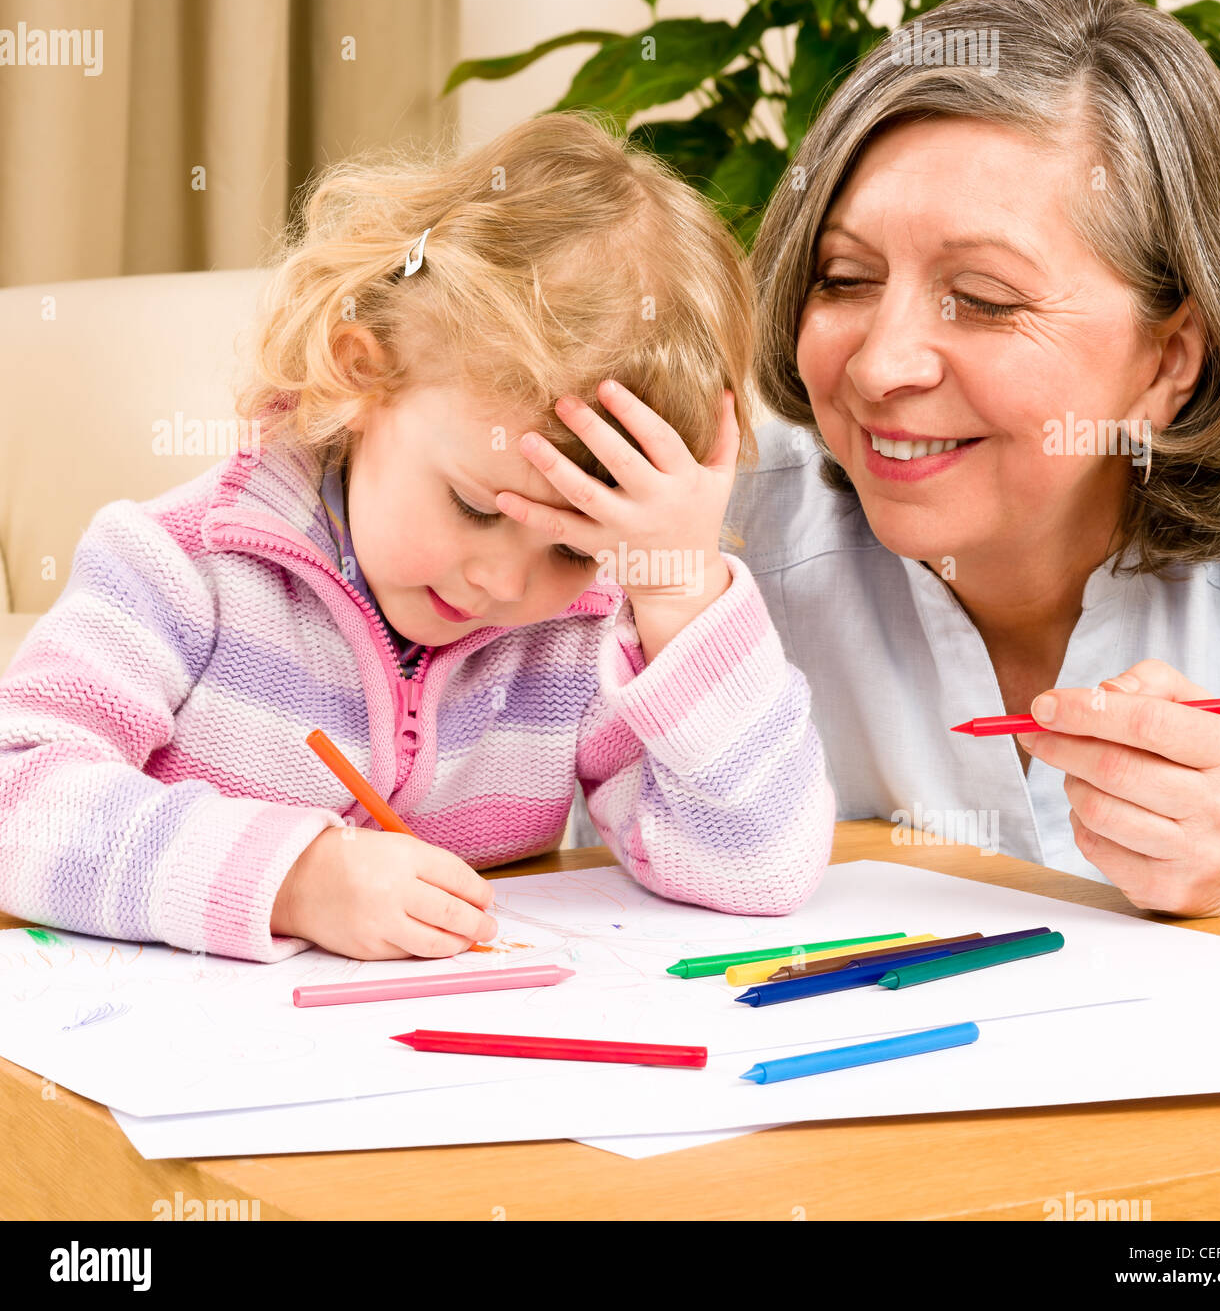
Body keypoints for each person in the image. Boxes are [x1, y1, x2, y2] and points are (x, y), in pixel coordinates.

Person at [0, 112, 836, 963]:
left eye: (575, 544)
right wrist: (295, 881)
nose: (508, 586)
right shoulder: (180, 570)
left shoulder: (586, 632)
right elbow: (16, 794)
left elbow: (759, 867)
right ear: (362, 373)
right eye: (476, 507)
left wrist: (680, 591)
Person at [574, 0, 1220, 939]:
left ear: (1169, 361)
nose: (880, 367)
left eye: (986, 298)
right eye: (844, 280)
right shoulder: (701, 554)